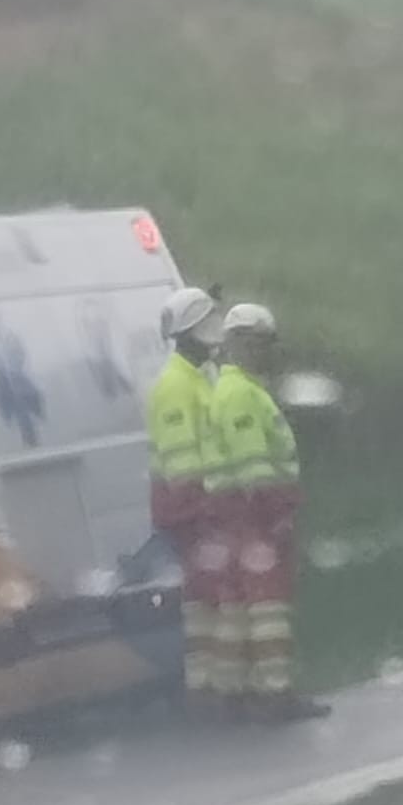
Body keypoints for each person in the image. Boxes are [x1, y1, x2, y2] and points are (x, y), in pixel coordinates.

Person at [206, 303, 330, 723]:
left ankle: (233, 693)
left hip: (235, 514)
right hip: (252, 514)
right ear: (240, 342)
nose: (266, 352)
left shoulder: (234, 389)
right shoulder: (241, 393)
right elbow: (253, 462)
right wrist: (274, 512)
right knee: (267, 608)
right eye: (259, 343)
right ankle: (276, 693)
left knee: (240, 609)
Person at [148, 286, 225, 715]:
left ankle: (215, 688)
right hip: (192, 510)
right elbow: (182, 465)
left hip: (204, 508)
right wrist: (205, 506)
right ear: (188, 335)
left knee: (213, 600)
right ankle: (209, 691)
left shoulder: (198, 378)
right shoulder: (176, 386)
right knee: (207, 602)